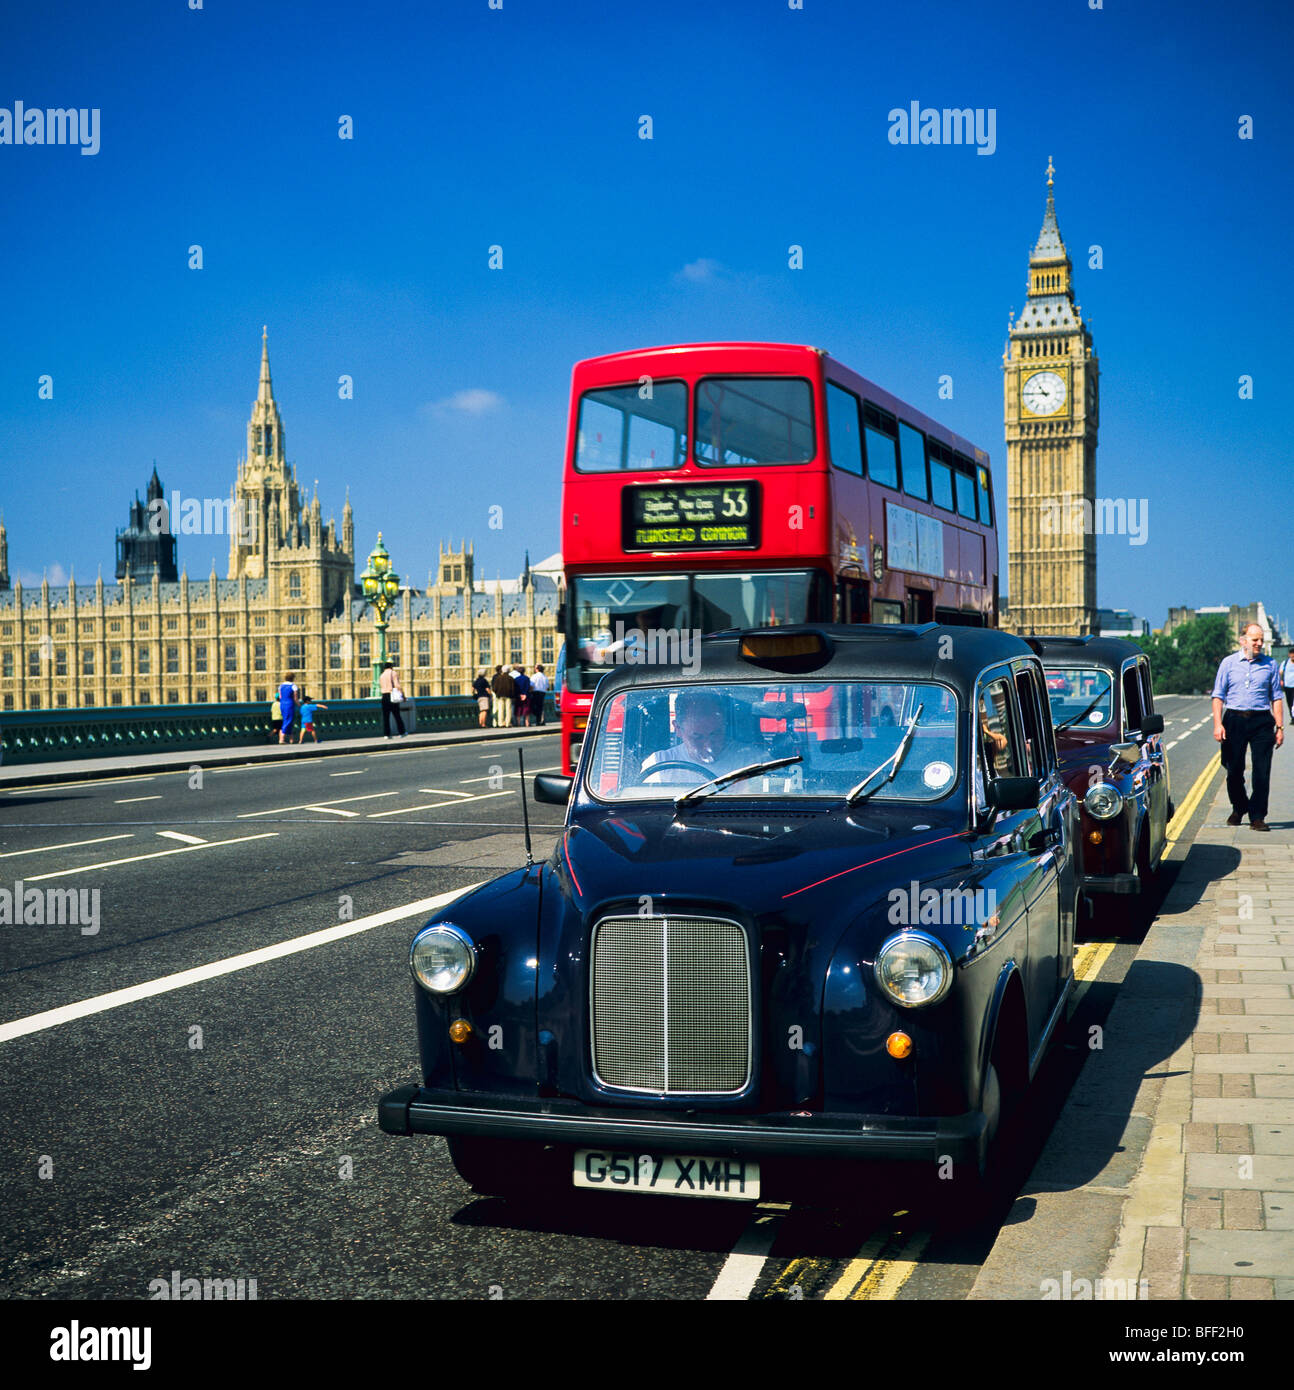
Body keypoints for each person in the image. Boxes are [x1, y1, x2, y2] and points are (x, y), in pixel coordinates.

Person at [1212, 622, 1284, 830]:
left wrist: (1280, 728)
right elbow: (1218, 696)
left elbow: (1276, 697)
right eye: (1255, 640)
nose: (1259, 643)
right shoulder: (1228, 663)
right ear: (1243, 641)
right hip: (1234, 720)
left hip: (1261, 721)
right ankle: (1239, 806)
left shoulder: (1270, 664)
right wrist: (1218, 724)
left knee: (1262, 771)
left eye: (1261, 639)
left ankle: (1257, 816)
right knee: (1233, 769)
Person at [639, 689, 764, 784]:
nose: (708, 746)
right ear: (677, 729)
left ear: (724, 725)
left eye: (715, 734)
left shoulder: (752, 760)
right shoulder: (660, 766)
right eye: (697, 737)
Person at [379, 660, 407, 739]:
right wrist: (403, 696)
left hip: (384, 696)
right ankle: (402, 732)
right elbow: (397, 685)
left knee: (386, 717)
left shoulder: (381, 675)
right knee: (397, 715)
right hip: (392, 696)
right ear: (391, 667)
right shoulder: (393, 673)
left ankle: (387, 734)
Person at [277, 672, 299, 745]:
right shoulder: (293, 686)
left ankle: (291, 739)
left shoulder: (281, 686)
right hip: (289, 704)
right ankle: (282, 738)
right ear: (292, 678)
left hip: (282, 704)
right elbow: (295, 698)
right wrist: (299, 705)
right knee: (288, 720)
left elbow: (280, 697)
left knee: (287, 720)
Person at [1281, 646, 1294, 723]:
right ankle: (1292, 717)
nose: (1293, 655)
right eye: (1291, 653)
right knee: (1289, 702)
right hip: (1287, 685)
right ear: (1289, 654)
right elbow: (1281, 672)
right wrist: (1281, 680)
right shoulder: (1285, 663)